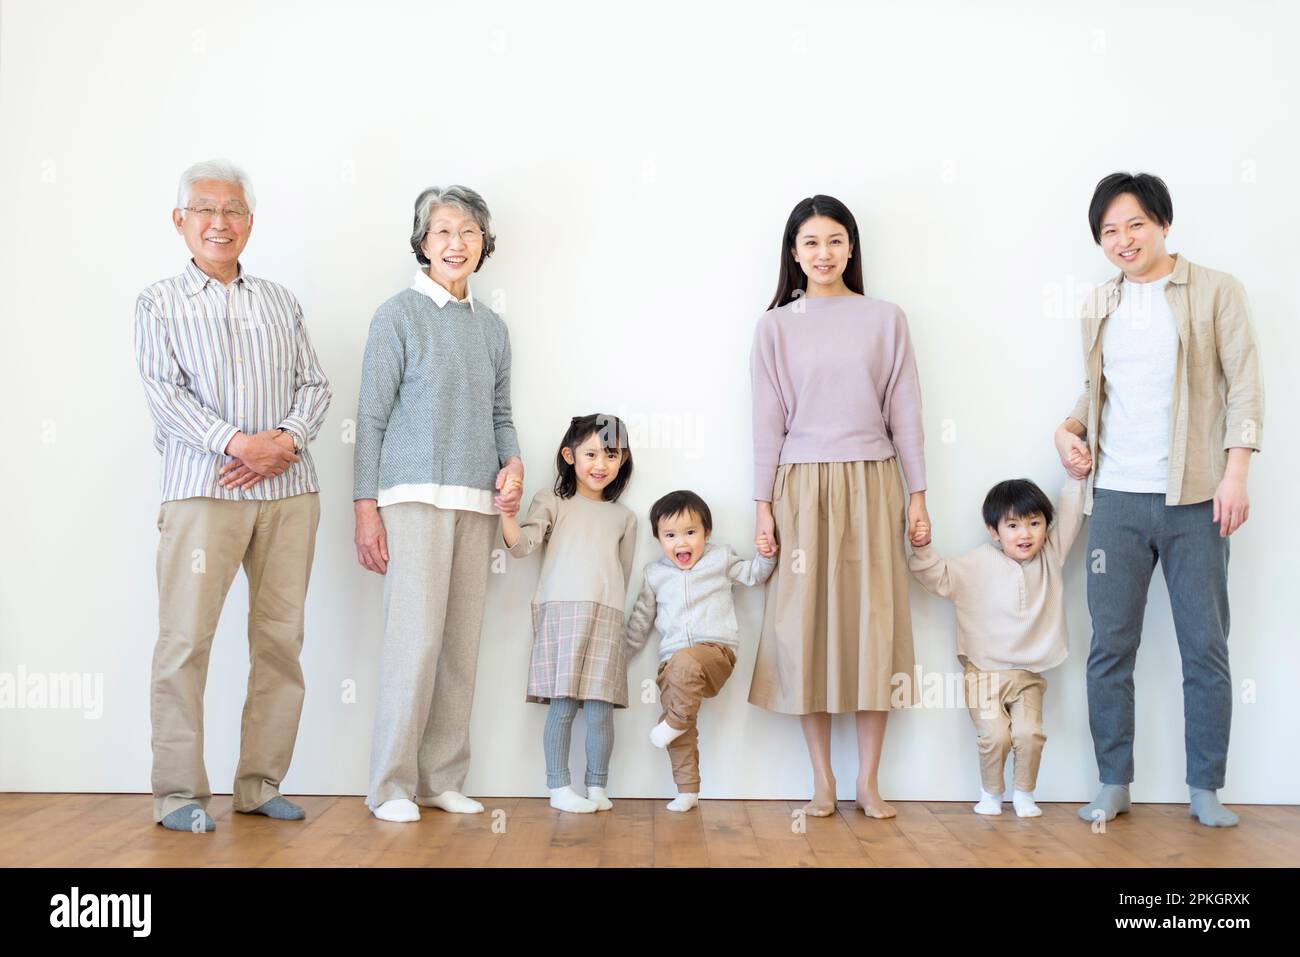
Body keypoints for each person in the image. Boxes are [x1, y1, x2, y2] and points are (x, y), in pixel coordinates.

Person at [1055, 172, 1264, 827]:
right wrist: (1070, 427)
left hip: (1195, 498)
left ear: (1163, 223)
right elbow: (1099, 390)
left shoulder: (1215, 291)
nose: (1123, 239)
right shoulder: (1099, 303)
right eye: (1109, 230)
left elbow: (1245, 389)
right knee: (1109, 648)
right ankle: (1113, 780)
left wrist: (1236, 474)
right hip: (1114, 501)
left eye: (1135, 224)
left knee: (1206, 647)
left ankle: (1206, 788)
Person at [135, 158, 331, 832]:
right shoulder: (158, 302)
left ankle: (259, 783)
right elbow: (164, 394)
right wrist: (238, 444)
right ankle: (178, 794)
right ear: (180, 221)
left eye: (233, 211)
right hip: (202, 493)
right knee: (185, 642)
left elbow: (316, 386)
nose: (219, 223)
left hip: (290, 493)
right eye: (205, 210)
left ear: (250, 221)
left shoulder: (280, 300)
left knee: (280, 641)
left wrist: (284, 439)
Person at [748, 195, 930, 819]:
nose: (822, 253)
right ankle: (821, 780)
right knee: (807, 630)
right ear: (793, 253)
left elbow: (906, 411)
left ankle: (868, 781)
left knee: (873, 626)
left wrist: (918, 496)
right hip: (801, 485)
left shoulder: (885, 318)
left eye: (833, 241)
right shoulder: (774, 326)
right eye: (810, 243)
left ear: (851, 247)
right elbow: (766, 422)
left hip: (875, 481)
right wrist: (762, 504)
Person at [354, 185, 524, 823]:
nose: (457, 243)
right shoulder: (396, 315)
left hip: (476, 501)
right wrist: (364, 507)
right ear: (423, 244)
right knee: (415, 641)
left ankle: (441, 778)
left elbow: (501, 415)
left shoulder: (493, 328)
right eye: (443, 231)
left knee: (459, 643)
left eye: (469, 232)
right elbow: (369, 418)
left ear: (484, 244)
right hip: (412, 496)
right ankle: (390, 786)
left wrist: (512, 462)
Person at [909, 475, 1087, 818]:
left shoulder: (1051, 554)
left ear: (1047, 527)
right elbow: (937, 576)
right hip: (983, 673)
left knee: (1029, 733)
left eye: (1035, 524)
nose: (1026, 534)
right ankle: (991, 794)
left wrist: (1075, 479)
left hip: (1027, 674)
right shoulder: (976, 563)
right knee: (995, 736)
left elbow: (1071, 515)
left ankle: (1024, 793)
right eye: (1014, 525)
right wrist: (922, 546)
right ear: (994, 531)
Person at [499, 414, 637, 814]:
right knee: (562, 707)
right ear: (569, 455)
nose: (600, 464)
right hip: (560, 614)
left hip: (606, 617)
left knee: (600, 711)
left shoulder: (624, 518)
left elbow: (622, 575)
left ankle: (597, 785)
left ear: (622, 459)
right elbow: (524, 545)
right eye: (591, 453)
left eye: (611, 455)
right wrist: (507, 514)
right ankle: (558, 787)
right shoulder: (551, 501)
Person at [625, 489, 777, 812]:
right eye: (670, 535)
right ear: (658, 539)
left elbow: (753, 575)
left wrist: (766, 555)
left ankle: (674, 721)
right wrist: (620, 657)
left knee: (680, 685)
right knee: (678, 724)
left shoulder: (720, 559)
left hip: (715, 654)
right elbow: (640, 622)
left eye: (690, 533)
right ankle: (688, 790)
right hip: (673, 664)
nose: (681, 543)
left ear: (707, 533)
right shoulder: (654, 575)